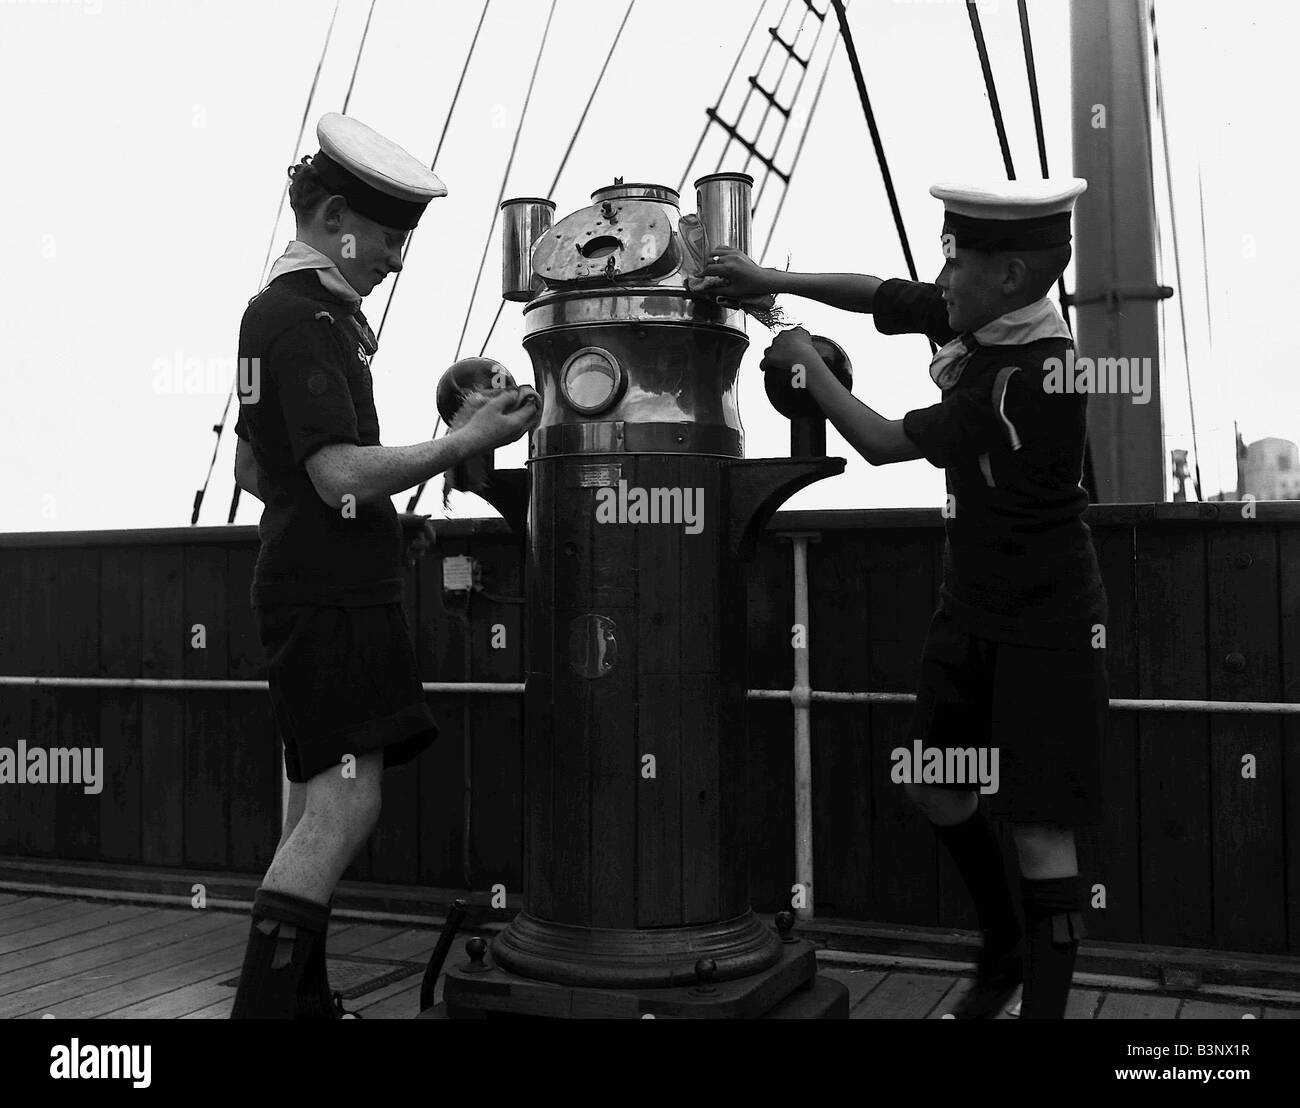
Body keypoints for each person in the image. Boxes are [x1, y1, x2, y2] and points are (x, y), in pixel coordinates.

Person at [704, 178, 1107, 1019]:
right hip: (972, 607)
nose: (943, 275)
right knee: (936, 779)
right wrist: (771, 285)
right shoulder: (990, 313)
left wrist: (808, 366)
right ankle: (1003, 945)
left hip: (1047, 623)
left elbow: (885, 444)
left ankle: (1039, 1000)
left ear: (1013, 274)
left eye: (955, 260)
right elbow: (880, 296)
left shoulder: (1031, 377)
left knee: (1040, 826)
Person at [229, 112, 541, 1018]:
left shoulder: (275, 312)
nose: (397, 258)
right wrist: (467, 438)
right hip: (332, 599)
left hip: (305, 581)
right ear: (333, 219)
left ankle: (305, 1003)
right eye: (389, 237)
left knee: (309, 805)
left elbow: (260, 468)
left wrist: (367, 516)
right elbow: (331, 472)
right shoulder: (309, 318)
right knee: (343, 808)